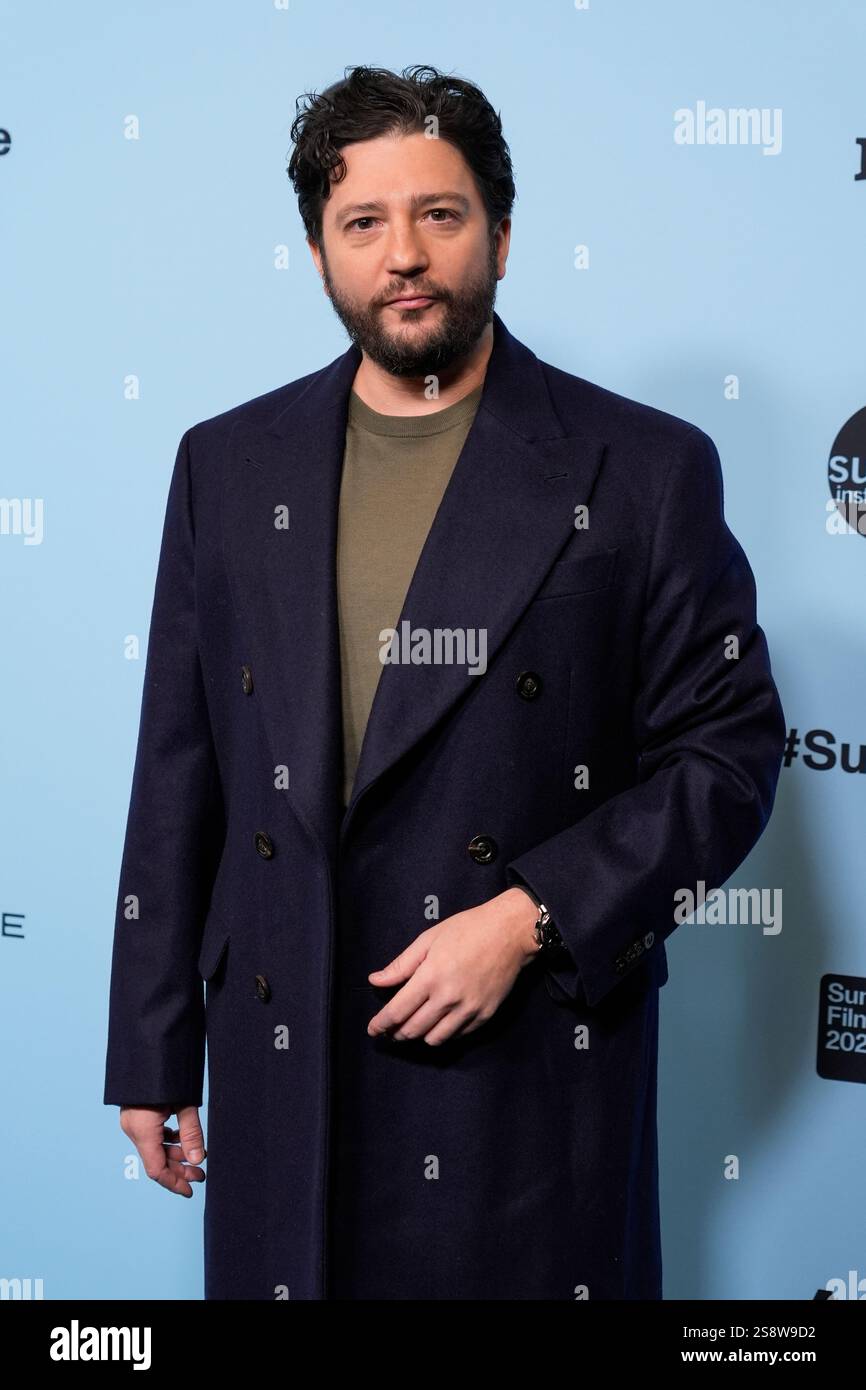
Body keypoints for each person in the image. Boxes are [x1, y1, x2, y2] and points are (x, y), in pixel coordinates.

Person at [104, 64, 786, 1300]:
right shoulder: (224, 462)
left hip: (519, 1072)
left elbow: (727, 757)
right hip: (284, 1055)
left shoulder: (640, 469)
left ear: (502, 236)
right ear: (318, 253)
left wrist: (526, 919)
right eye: (363, 222)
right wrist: (152, 1051)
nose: (403, 254)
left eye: (441, 214)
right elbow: (180, 769)